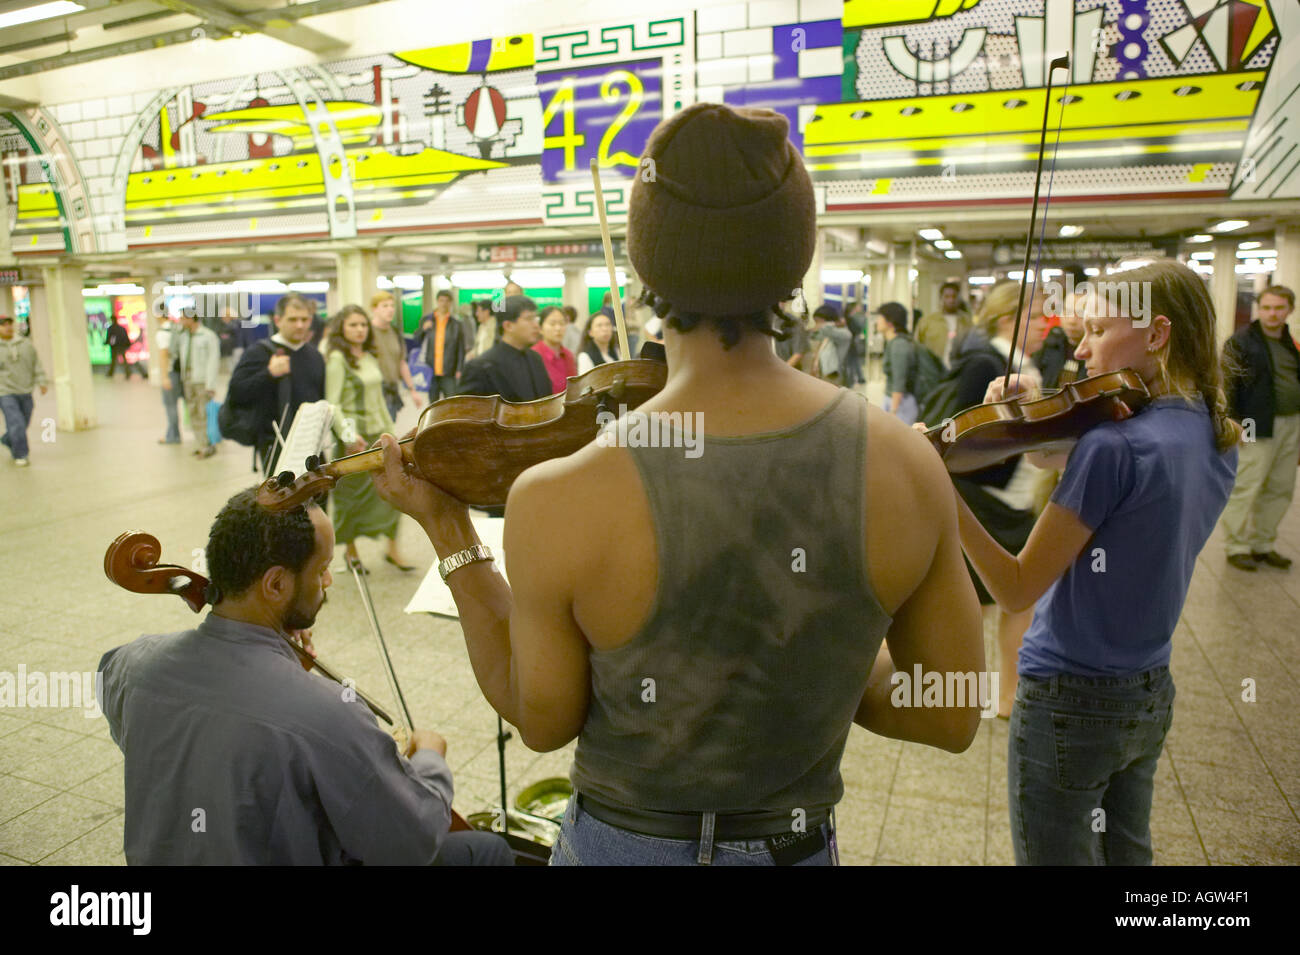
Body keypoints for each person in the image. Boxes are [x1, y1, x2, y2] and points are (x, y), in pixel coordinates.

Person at [371, 102, 984, 866]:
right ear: (796, 261)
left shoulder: (559, 492)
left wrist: (450, 530)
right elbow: (953, 712)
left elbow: (542, 717)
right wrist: (818, 649)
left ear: (646, 266)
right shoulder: (904, 464)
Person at [949, 259, 1238, 865]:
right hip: (1148, 688)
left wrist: (941, 494)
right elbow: (1067, 462)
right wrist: (1030, 413)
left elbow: (1016, 589)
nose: (1081, 353)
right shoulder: (1214, 433)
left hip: (1068, 695)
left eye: (1099, 332)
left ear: (1157, 334)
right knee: (1127, 854)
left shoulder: (1113, 444)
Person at [98, 488, 511, 866]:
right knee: (487, 850)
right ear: (276, 584)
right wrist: (430, 758)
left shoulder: (130, 665)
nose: (328, 581)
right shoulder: (329, 713)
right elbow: (414, 842)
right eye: (323, 569)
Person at [324, 306, 412, 572]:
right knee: (350, 498)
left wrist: (390, 432)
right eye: (353, 325)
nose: (360, 329)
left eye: (363, 325)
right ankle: (351, 553)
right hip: (353, 439)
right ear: (342, 329)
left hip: (377, 434)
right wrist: (349, 435)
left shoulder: (370, 358)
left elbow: (379, 399)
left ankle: (393, 549)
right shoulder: (338, 360)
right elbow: (332, 403)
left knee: (393, 489)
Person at [1220, 284, 1299, 571]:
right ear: (1258, 309)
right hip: (1253, 422)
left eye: (1279, 308)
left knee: (1281, 486)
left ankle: (1263, 544)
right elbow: (1228, 383)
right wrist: (1233, 421)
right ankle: (1237, 545)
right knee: (1247, 483)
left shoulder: (1289, 342)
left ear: (1289, 309)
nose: (1272, 314)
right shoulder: (1241, 341)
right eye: (1266, 307)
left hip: (1290, 423)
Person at [228, 292, 327, 474]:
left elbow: (322, 398)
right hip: (275, 444)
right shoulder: (258, 352)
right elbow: (237, 393)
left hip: (312, 442)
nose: (300, 325)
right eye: (292, 319)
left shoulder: (314, 356)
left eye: (304, 319)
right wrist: (268, 374)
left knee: (320, 495)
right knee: (284, 499)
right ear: (277, 320)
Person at [457, 295, 550, 402]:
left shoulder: (535, 358)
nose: (536, 325)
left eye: (536, 318)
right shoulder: (481, 367)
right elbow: (467, 413)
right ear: (508, 326)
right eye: (529, 319)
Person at [0, 314, 48, 468]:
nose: (7, 327)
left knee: (24, 421)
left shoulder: (25, 344)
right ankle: (21, 453)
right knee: (16, 423)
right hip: (5, 391)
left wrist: (41, 381)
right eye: (3, 324)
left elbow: (36, 364)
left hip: (25, 390)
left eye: (9, 324)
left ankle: (8, 439)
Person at [369, 292, 424, 422]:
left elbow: (401, 363)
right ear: (374, 309)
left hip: (391, 392)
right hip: (372, 393)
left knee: (388, 432)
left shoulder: (394, 332)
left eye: (392, 306)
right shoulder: (367, 333)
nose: (390, 309)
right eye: (385, 306)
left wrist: (412, 390)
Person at [175, 307, 221, 459]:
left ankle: (208, 445)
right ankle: (201, 443)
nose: (181, 321)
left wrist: (211, 384)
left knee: (204, 413)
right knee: (193, 411)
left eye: (183, 318)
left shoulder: (208, 336)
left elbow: (213, 361)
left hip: (202, 380)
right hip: (188, 379)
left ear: (191, 319)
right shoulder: (184, 336)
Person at [416, 289, 470, 400]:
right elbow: (416, 339)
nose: (444, 304)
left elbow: (461, 349)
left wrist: (460, 369)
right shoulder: (427, 320)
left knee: (451, 404)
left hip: (449, 372)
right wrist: (423, 329)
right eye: (441, 300)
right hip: (431, 370)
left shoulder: (456, 324)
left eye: (447, 301)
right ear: (437, 301)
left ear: (451, 303)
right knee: (433, 406)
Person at [876, 302, 919, 424]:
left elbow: (899, 382)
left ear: (890, 322)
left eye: (880, 318)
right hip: (896, 401)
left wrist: (893, 412)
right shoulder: (894, 343)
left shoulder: (898, 345)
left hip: (901, 405)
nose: (877, 322)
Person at [916, 281, 973, 367]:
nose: (951, 300)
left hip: (959, 370)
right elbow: (917, 346)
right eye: (947, 297)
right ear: (941, 298)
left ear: (958, 298)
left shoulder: (966, 322)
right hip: (934, 371)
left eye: (954, 296)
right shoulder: (928, 321)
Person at [532, 305, 578, 394]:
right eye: (552, 324)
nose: (558, 328)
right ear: (540, 328)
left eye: (562, 324)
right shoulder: (534, 355)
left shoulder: (568, 355)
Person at [154, 315, 183, 445]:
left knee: (170, 404)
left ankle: (173, 435)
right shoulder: (177, 328)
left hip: (171, 372)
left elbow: (164, 355)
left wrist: (164, 377)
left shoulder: (162, 332)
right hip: (183, 372)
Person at [810, 304, 850, 382]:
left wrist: (830, 324)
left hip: (834, 379)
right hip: (822, 378)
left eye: (819, 321)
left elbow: (828, 330)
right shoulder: (826, 335)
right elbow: (813, 336)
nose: (817, 325)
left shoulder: (843, 334)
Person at [576, 308, 620, 374]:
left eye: (608, 325)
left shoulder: (617, 351)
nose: (605, 329)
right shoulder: (585, 356)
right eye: (599, 325)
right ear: (590, 332)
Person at [468, 298, 496, 362]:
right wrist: (472, 353)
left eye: (478, 311)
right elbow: (478, 345)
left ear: (486, 312)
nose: (476, 314)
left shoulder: (495, 327)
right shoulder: (482, 326)